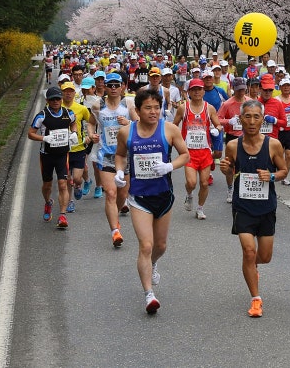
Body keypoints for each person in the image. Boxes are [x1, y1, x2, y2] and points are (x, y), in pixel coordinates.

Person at [114, 89, 189, 314]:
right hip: (139, 197)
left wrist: (170, 166)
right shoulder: (127, 132)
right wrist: (119, 171)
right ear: (137, 110)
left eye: (157, 107)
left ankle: (154, 263)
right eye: (148, 108)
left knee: (160, 246)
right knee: (145, 245)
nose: (154, 112)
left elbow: (185, 155)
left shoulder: (170, 130)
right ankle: (149, 294)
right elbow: (120, 155)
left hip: (164, 196)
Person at [220, 100, 288, 318]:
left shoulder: (273, 145)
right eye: (247, 117)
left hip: (266, 206)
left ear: (262, 119)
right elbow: (230, 173)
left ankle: (252, 267)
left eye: (256, 117)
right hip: (243, 206)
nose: (251, 121)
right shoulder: (233, 146)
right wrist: (225, 169)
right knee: (249, 252)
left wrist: (273, 176)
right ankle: (256, 299)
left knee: (264, 256)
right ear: (240, 120)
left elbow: (284, 170)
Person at [88, 73, 131, 246]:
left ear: (122, 86)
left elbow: (139, 123)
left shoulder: (128, 104)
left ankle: (116, 215)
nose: (113, 88)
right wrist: (92, 135)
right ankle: (115, 231)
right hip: (105, 155)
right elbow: (91, 122)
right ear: (105, 87)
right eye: (110, 85)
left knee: (122, 194)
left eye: (116, 85)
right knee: (111, 193)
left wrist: (128, 123)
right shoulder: (98, 105)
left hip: (125, 155)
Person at [27, 86, 77, 228]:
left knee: (62, 184)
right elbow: (30, 133)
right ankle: (48, 202)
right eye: (52, 99)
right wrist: (44, 138)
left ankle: (62, 215)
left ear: (61, 99)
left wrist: (73, 133)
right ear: (47, 100)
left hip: (62, 154)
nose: (56, 101)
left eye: (58, 98)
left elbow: (73, 124)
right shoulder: (42, 116)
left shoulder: (69, 113)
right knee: (47, 185)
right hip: (47, 156)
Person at [173, 78, 222, 220]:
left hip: (205, 151)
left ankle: (200, 209)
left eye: (199, 89)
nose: (197, 92)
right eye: (194, 89)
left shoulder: (209, 108)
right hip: (188, 152)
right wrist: (173, 139)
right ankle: (189, 195)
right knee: (191, 182)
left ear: (203, 91)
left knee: (204, 182)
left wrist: (216, 130)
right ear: (189, 92)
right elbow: (174, 125)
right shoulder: (184, 108)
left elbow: (218, 124)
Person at [61, 81, 90, 213]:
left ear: (74, 93)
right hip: (62, 148)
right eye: (65, 91)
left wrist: (90, 135)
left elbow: (91, 122)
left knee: (77, 178)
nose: (68, 93)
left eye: (70, 91)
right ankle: (70, 201)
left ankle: (78, 185)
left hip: (78, 147)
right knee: (67, 178)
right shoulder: (56, 107)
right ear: (62, 93)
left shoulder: (81, 109)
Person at [219, 77, 249, 202]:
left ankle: (245, 189)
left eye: (243, 89)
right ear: (233, 89)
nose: (241, 92)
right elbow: (217, 119)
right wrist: (228, 121)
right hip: (232, 138)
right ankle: (230, 188)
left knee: (247, 165)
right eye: (238, 90)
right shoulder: (227, 104)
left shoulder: (250, 102)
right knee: (230, 166)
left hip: (248, 137)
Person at [277, 77, 290, 186]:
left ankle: (285, 176)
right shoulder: (277, 100)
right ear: (280, 87)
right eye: (284, 86)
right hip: (279, 131)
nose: (286, 88)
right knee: (278, 154)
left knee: (289, 154)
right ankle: (278, 172)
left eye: (288, 86)